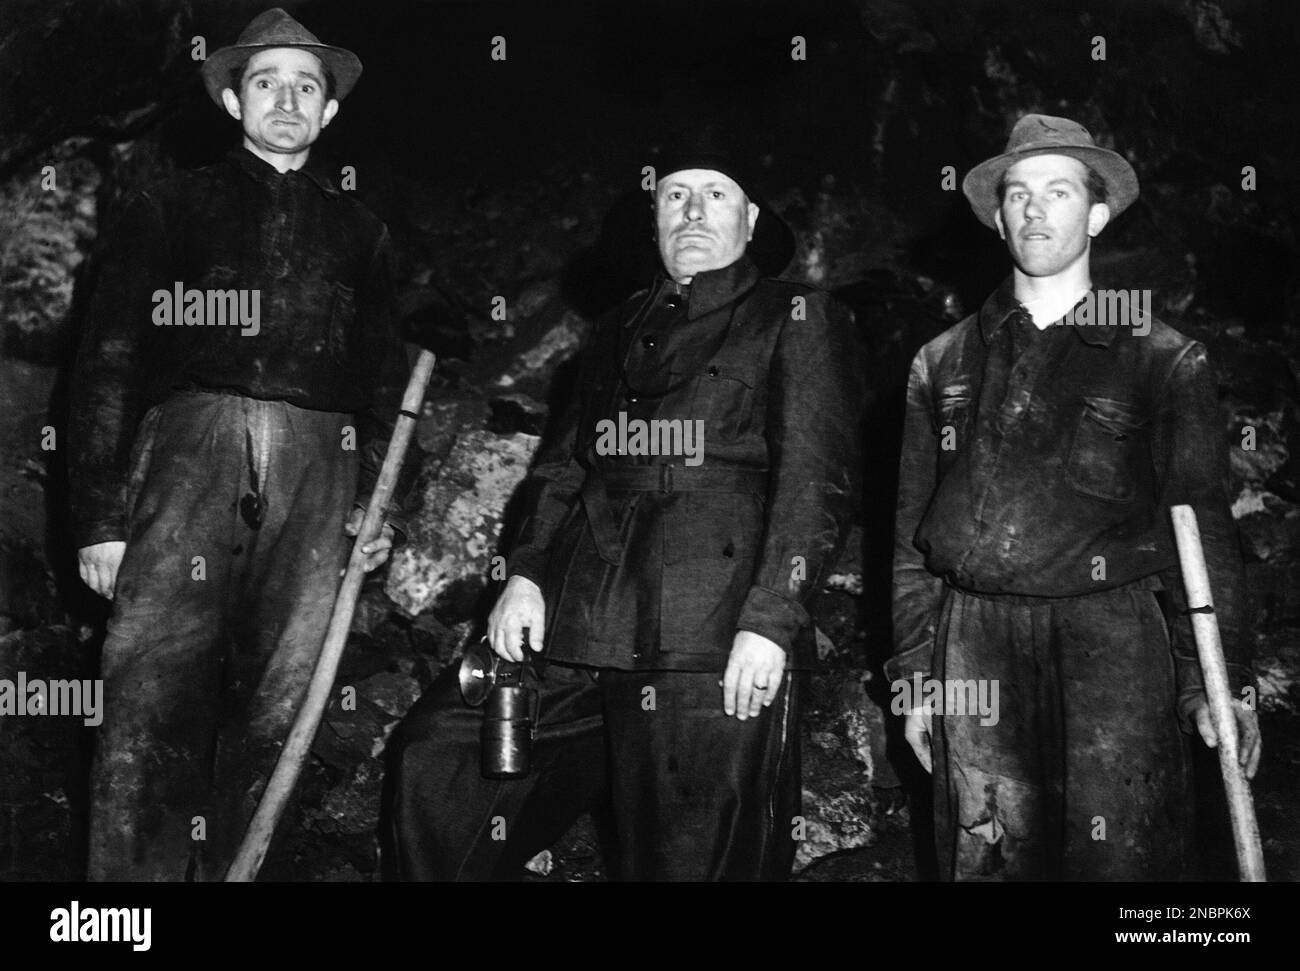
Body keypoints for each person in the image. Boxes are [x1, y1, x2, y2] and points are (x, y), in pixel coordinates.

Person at [386, 140, 862, 881]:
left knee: (690, 853)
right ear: (653, 219)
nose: (693, 210)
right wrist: (526, 573)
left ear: (750, 217)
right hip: (582, 615)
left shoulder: (794, 315)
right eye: (675, 196)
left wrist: (771, 619)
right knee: (437, 757)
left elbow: (817, 478)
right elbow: (562, 468)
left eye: (715, 194)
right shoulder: (613, 331)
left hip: (709, 630)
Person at [69, 7, 414, 880]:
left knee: (279, 702)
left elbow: (380, 387)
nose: (288, 98)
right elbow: (108, 358)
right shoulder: (170, 203)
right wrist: (100, 517)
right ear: (233, 100)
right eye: (267, 81)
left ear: (330, 113)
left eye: (307, 86)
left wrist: (375, 504)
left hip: (320, 471)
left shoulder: (363, 235)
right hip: (190, 452)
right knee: (150, 688)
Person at [889, 113, 1261, 880]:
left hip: (1112, 640)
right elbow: (907, 542)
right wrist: (915, 676)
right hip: (974, 639)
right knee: (987, 851)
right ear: (998, 217)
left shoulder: (1161, 358)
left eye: (1057, 191)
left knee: (1122, 859)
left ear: (1095, 214)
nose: (1034, 209)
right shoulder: (942, 362)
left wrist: (1219, 685)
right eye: (1018, 193)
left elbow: (1205, 534)